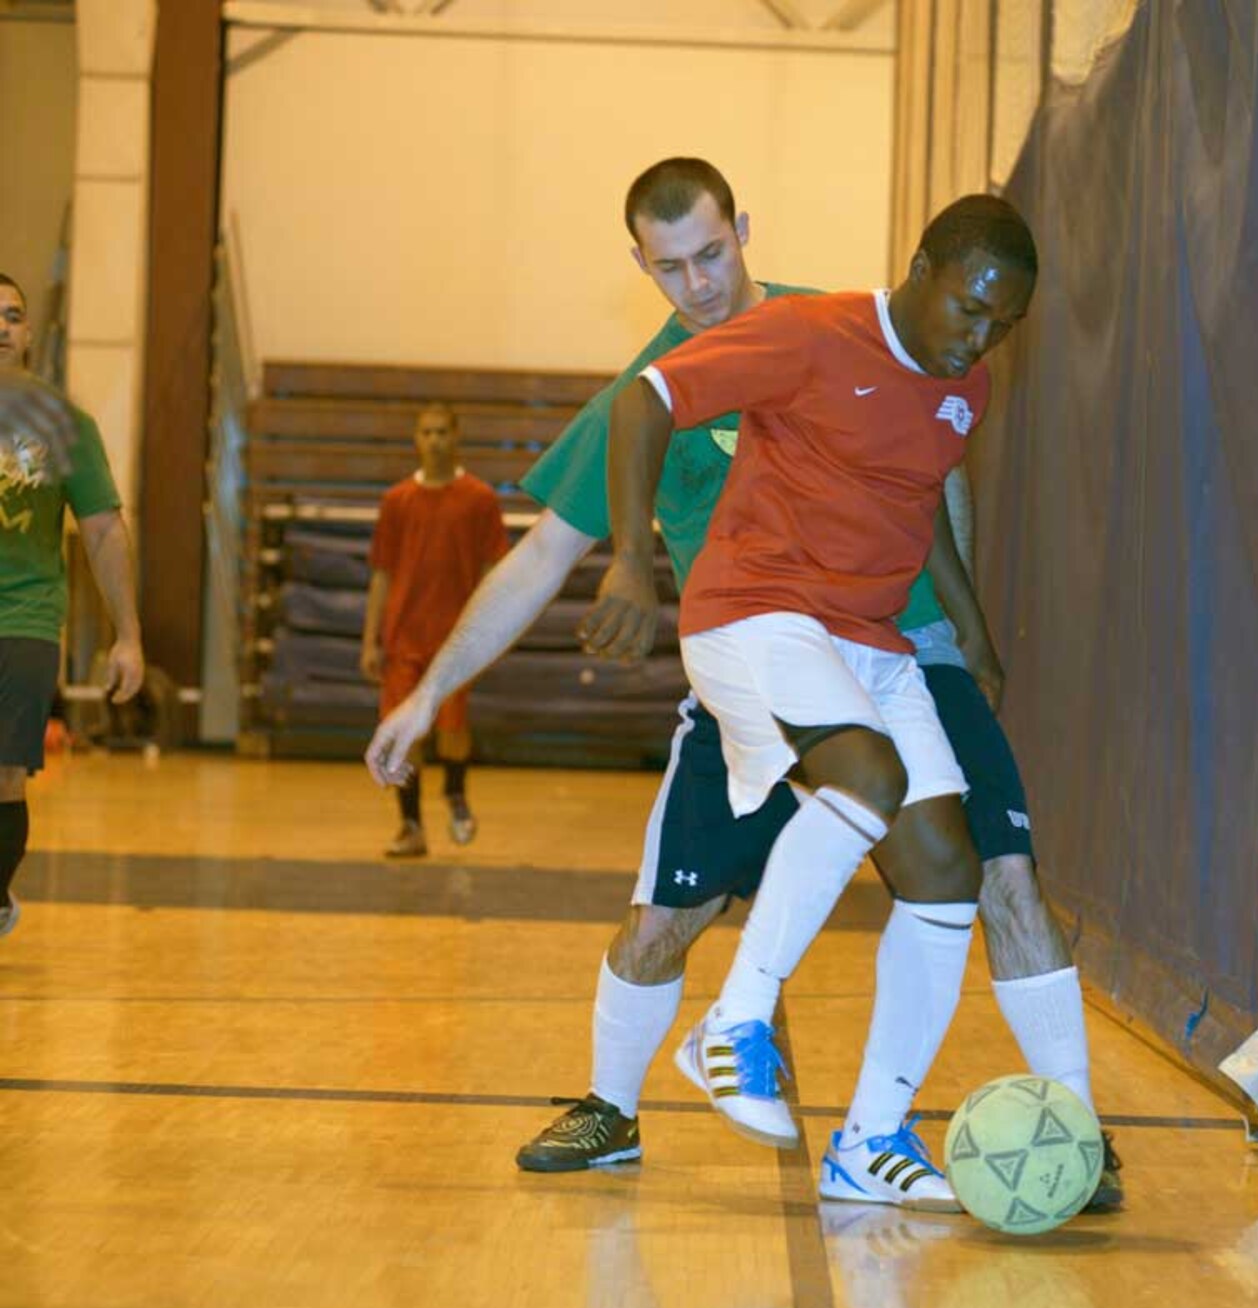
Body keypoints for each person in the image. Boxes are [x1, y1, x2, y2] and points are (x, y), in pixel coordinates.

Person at [366, 159, 1117, 1210]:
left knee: (982, 872)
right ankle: (622, 1096)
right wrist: (425, 690)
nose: (697, 284)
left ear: (742, 231)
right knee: (673, 911)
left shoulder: (903, 339)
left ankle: (1026, 1131)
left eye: (711, 254)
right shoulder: (708, 367)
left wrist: (966, 632)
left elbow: (923, 492)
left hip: (893, 647)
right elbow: (541, 558)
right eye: (669, 267)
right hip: (756, 645)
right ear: (641, 267)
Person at [581, 190, 1049, 1209]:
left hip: (869, 640)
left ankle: (871, 1138)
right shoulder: (807, 331)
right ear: (921, 269)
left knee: (943, 872)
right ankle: (731, 1020)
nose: (981, 336)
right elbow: (645, 398)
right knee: (868, 777)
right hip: (754, 616)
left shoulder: (956, 385)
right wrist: (628, 562)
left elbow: (913, 495)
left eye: (1002, 324)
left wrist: (967, 626)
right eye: (971, 308)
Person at [0, 273, 144, 938]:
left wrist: (128, 636)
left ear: (28, 334)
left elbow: (104, 529)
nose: (2, 326)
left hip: (22, 621)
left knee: (3, 773)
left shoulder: (62, 424)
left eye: (13, 315)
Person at [361, 403, 508, 857]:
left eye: (443, 431)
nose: (435, 440)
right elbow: (382, 573)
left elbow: (495, 568)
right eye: (426, 432)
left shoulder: (480, 499)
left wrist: (491, 632)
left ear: (457, 435)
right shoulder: (397, 501)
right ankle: (410, 825)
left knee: (452, 727)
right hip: (404, 638)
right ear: (415, 439)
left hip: (456, 638)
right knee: (403, 733)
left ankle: (456, 793)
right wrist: (371, 639)